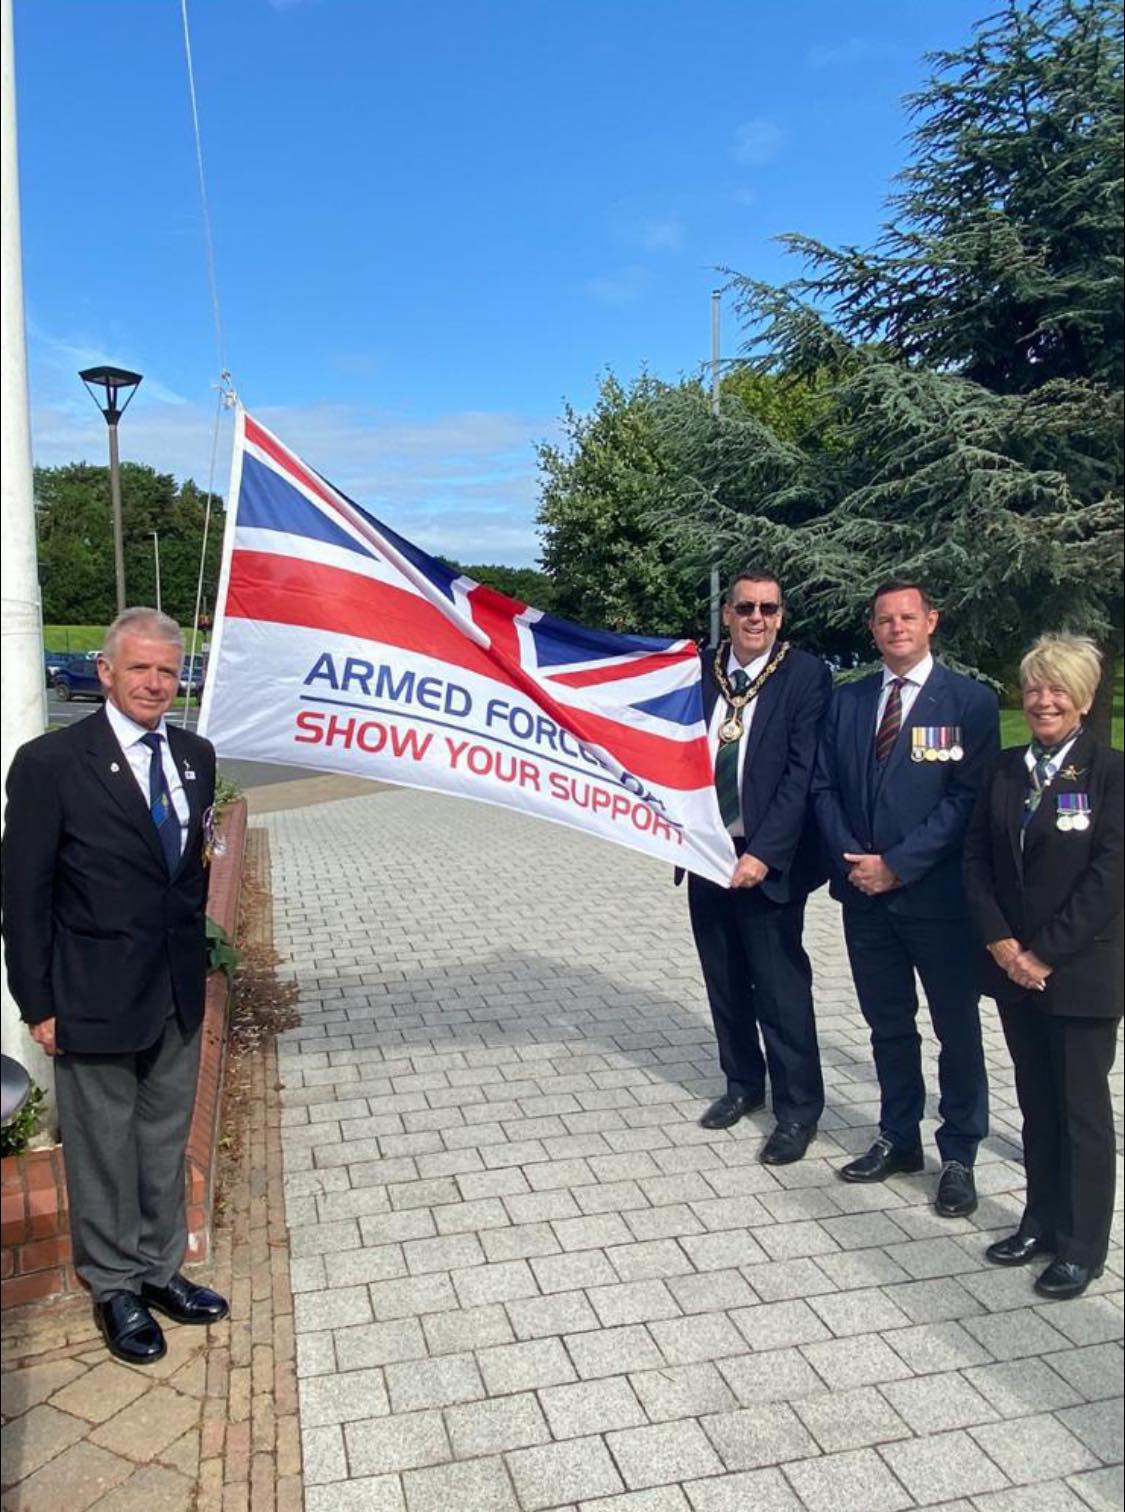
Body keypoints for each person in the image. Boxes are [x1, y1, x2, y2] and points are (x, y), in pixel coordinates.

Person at [2, 608, 228, 1363]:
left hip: (174, 992)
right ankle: (115, 1288)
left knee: (162, 1141)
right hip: (90, 995)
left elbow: (188, 877)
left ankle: (161, 1271)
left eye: (168, 669)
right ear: (105, 672)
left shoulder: (196, 755)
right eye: (140, 668)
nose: (156, 683)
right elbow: (24, 894)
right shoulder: (51, 763)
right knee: (100, 1149)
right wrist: (38, 1003)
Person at [813, 581, 999, 1214]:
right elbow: (822, 789)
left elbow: (965, 801)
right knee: (888, 1025)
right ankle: (898, 1137)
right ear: (872, 630)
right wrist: (860, 865)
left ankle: (960, 1154)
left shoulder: (969, 703)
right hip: (864, 897)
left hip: (937, 900)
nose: (896, 628)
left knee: (956, 1029)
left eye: (908, 617)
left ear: (931, 623)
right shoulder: (847, 702)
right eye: (885, 620)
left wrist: (897, 864)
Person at [963, 634, 1123, 1300]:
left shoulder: (1110, 772)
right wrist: (1001, 945)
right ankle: (1039, 1221)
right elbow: (973, 862)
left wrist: (1041, 953)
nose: (1043, 700)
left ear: (1082, 700)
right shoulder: (1003, 769)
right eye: (1033, 688)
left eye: (1057, 689)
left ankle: (1081, 1246)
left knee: (1080, 1112)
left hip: (1079, 972)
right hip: (1012, 974)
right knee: (1035, 1104)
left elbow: (1108, 876)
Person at [684, 568, 831, 1164]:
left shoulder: (805, 674)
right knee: (723, 978)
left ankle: (798, 1109)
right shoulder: (695, 671)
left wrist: (763, 854)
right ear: (727, 614)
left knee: (779, 987)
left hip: (768, 862)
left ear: (781, 615)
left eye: (768, 609)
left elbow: (802, 775)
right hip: (706, 853)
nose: (756, 619)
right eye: (745, 607)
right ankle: (743, 1083)